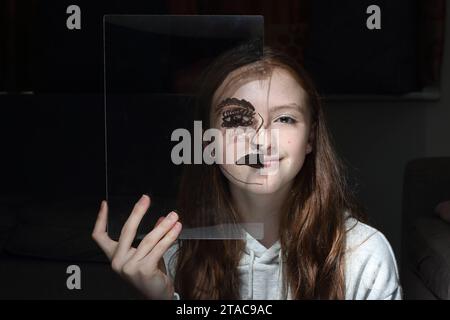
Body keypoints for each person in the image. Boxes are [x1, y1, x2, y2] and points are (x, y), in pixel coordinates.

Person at [92, 42, 402, 300]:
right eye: (237, 120)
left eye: (284, 120)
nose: (262, 139)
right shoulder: (170, 259)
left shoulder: (363, 255)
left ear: (310, 138)